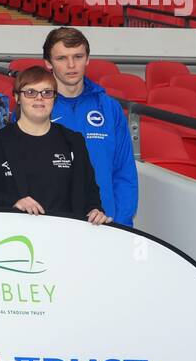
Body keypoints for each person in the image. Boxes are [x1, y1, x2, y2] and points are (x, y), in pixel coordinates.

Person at [0, 67, 110, 224]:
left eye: (47, 93)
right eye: (30, 92)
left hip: (64, 237)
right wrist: (13, 202)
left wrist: (95, 211)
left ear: (54, 98)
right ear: (17, 97)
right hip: (14, 235)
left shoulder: (72, 140)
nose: (39, 98)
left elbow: (90, 193)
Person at [44, 26, 138, 227]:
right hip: (54, 223)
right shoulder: (37, 107)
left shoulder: (109, 108)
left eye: (78, 56)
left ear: (87, 59)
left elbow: (124, 171)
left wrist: (121, 223)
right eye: (62, 58)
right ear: (48, 63)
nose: (71, 65)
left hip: (105, 222)